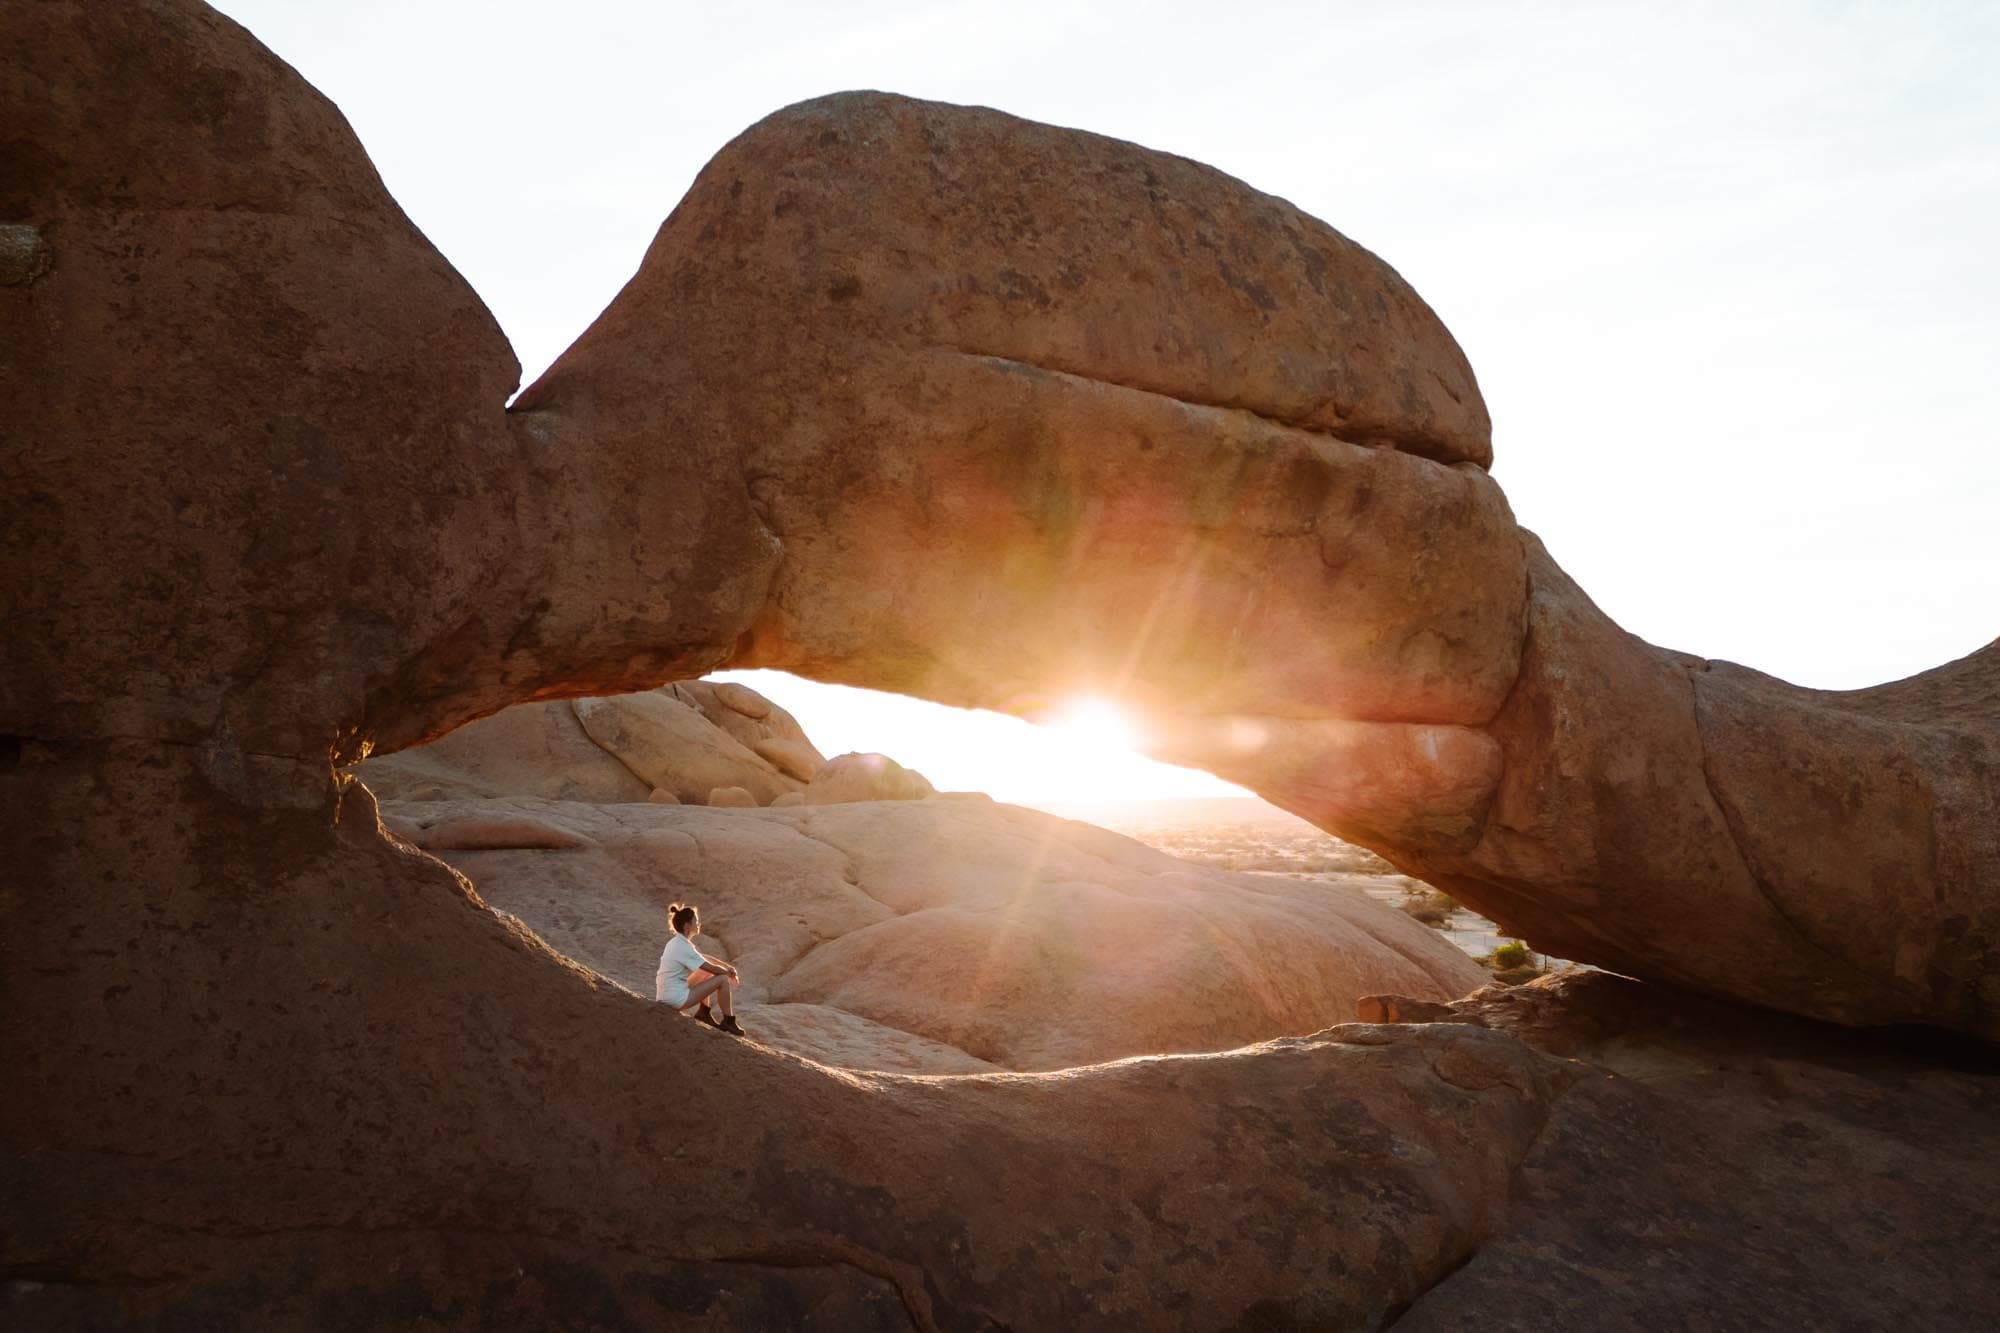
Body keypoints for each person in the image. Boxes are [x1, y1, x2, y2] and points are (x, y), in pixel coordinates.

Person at [655, 902, 746, 1036]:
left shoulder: (676, 942)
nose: (698, 924)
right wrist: (728, 974)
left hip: (666, 995)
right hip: (675, 999)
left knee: (705, 970)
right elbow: (712, 969)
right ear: (687, 926)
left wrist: (727, 967)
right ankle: (728, 1021)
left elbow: (704, 959)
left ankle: (704, 1012)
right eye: (695, 921)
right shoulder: (683, 947)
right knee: (722, 979)